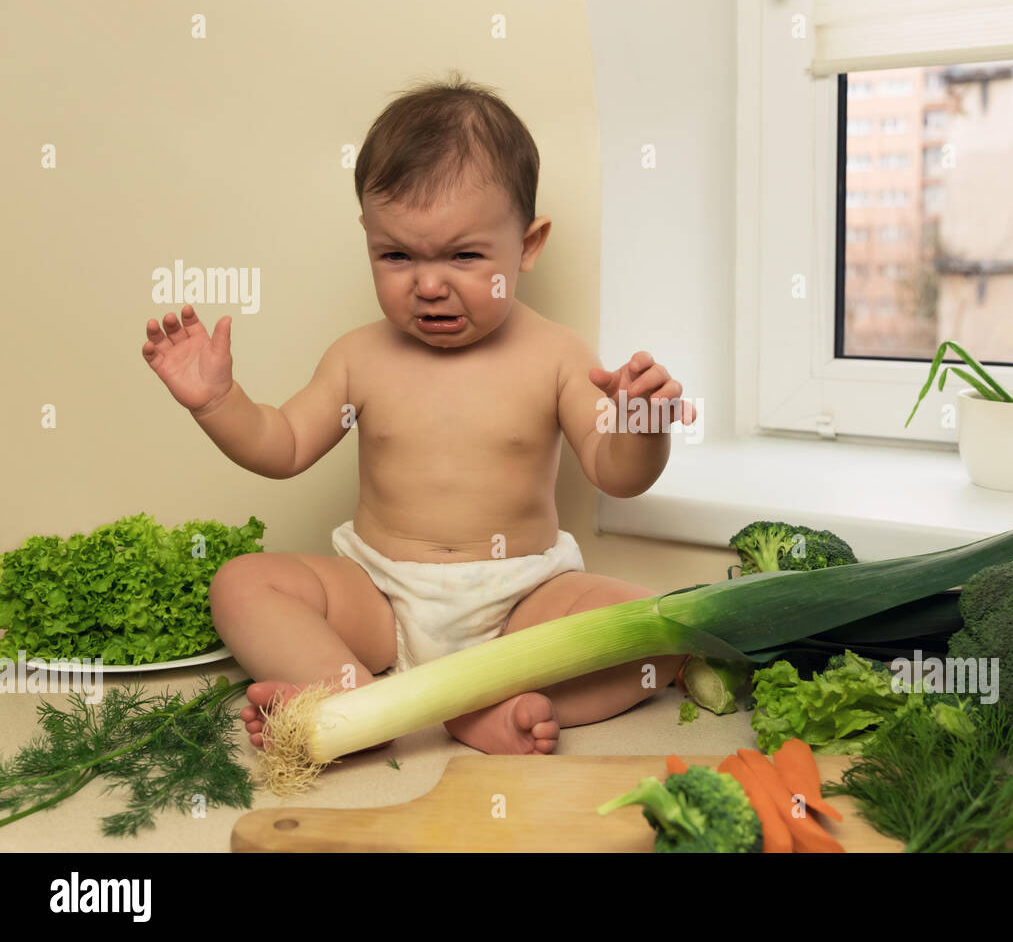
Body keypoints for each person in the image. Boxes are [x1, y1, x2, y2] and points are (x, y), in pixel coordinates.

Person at [141, 72, 697, 757]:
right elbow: (281, 447)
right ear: (368, 238)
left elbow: (617, 473)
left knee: (656, 628)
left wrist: (643, 425)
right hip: (378, 595)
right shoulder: (358, 357)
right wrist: (219, 402)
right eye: (396, 255)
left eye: (465, 256)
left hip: (521, 603)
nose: (428, 285)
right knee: (241, 582)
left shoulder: (556, 354)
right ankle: (347, 697)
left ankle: (486, 705)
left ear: (527, 244)